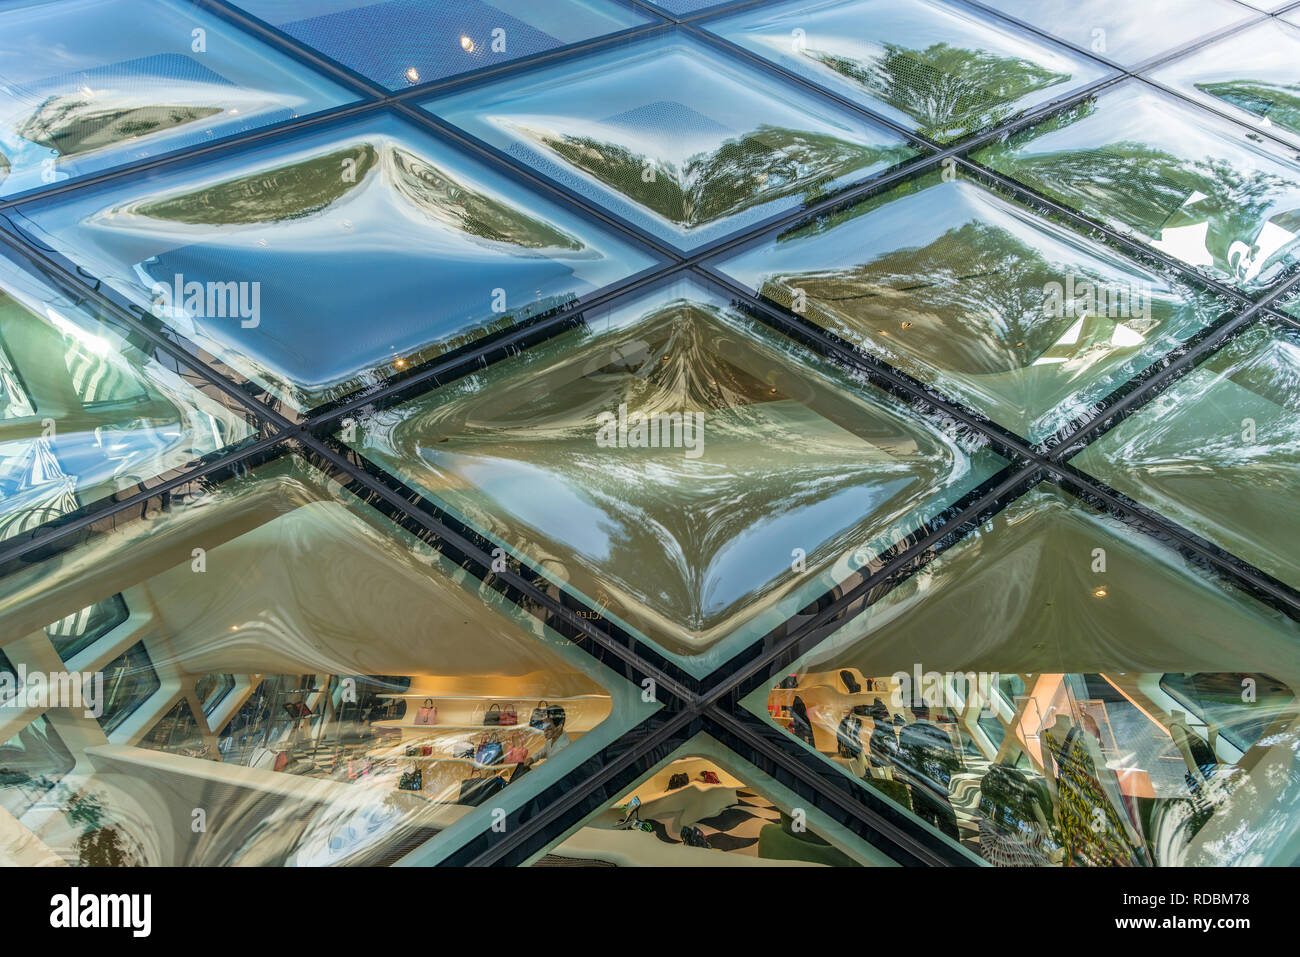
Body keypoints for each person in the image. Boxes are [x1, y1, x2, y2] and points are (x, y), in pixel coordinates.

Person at [896, 705, 961, 840]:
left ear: (913, 713)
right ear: (928, 712)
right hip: (939, 788)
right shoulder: (941, 734)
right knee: (949, 828)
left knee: (923, 829)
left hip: (919, 787)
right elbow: (953, 763)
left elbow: (902, 760)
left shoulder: (906, 731)